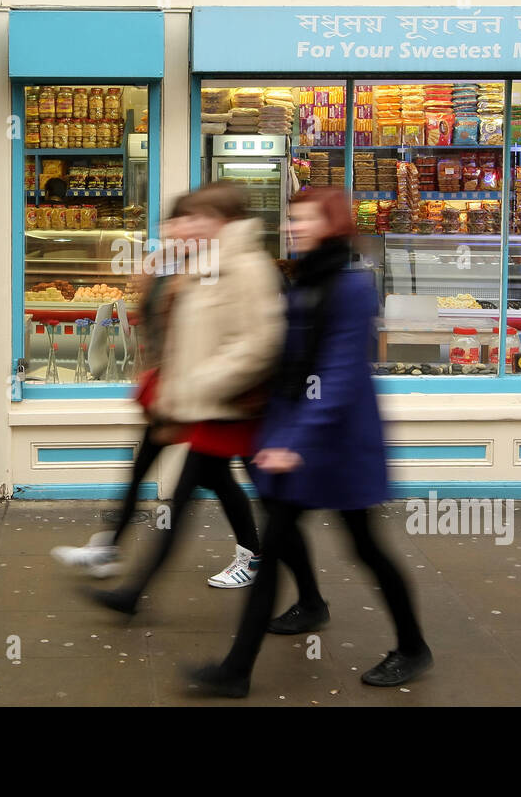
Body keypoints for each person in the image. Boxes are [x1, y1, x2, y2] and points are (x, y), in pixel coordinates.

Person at [190, 187, 433, 698]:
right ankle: (242, 665)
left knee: (366, 548)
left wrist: (292, 440)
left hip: (341, 444)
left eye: (304, 219)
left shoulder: (351, 288)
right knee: (276, 540)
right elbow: (288, 365)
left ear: (333, 224)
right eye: (291, 218)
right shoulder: (300, 280)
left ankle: (412, 646)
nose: (294, 227)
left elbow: (339, 377)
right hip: (300, 438)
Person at [88, 182, 286, 614]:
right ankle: (132, 592)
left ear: (221, 221)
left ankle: (293, 589)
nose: (183, 225)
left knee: (268, 509)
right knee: (194, 499)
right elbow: (184, 336)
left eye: (195, 217)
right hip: (211, 404)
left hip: (235, 407)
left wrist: (198, 383)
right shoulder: (204, 263)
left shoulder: (243, 266)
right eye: (182, 218)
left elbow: (257, 343)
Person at [50, 195, 194, 578]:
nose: (170, 231)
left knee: (212, 482)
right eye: (169, 224)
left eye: (180, 223)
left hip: (192, 395)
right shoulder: (166, 269)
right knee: (146, 472)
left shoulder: (201, 273)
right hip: (170, 392)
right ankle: (110, 549)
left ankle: (263, 552)